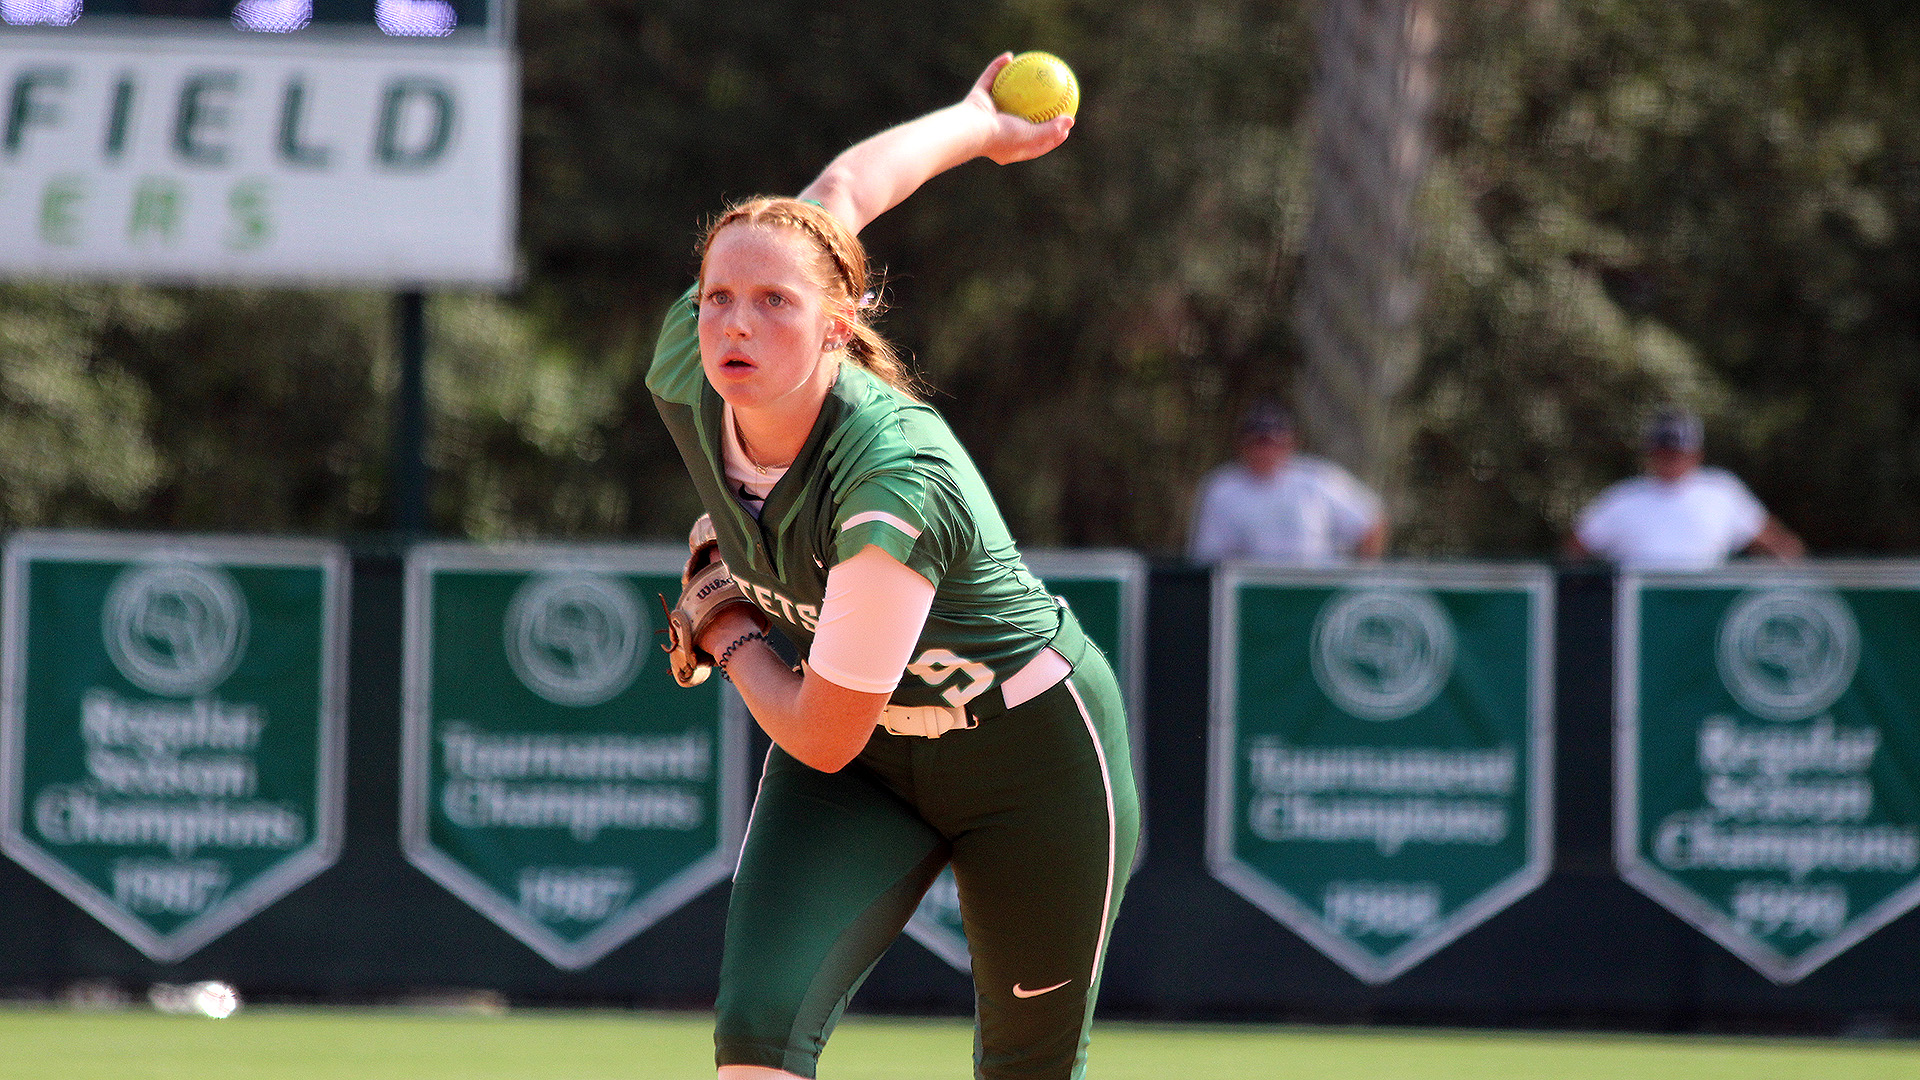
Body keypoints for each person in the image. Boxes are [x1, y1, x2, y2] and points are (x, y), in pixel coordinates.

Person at [648, 56, 1139, 1080]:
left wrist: (727, 625)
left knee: (1027, 1071)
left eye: (775, 303)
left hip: (1028, 756)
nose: (736, 321)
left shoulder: (892, 474)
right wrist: (974, 122)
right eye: (716, 297)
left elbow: (820, 734)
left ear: (841, 320)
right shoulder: (690, 370)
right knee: (757, 1038)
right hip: (868, 767)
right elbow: (838, 200)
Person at [1568, 406, 1805, 570]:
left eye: (1678, 454)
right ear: (1649, 455)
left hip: (1703, 610)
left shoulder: (1721, 491)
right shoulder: (1624, 497)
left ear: (1696, 455)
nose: (1670, 462)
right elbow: (1574, 550)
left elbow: (1776, 544)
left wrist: (1808, 572)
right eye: (1663, 454)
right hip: (1641, 612)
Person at [1186, 400, 1388, 564]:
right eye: (1258, 442)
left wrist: (1362, 578)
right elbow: (1208, 556)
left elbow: (1370, 522)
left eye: (1275, 443)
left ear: (1289, 444)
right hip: (1253, 591)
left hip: (1315, 588)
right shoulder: (1222, 488)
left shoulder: (1317, 478)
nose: (1266, 451)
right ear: (1242, 445)